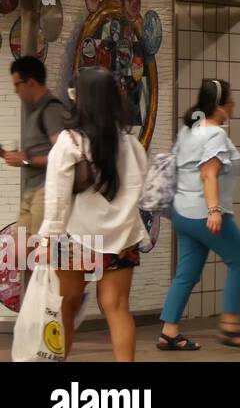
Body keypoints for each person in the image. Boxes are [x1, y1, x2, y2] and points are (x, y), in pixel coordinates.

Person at [36, 66, 148, 361]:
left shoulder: (69, 142)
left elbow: (57, 198)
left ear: (80, 99)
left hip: (77, 238)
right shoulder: (131, 143)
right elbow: (141, 189)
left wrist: (47, 239)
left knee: (66, 308)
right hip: (123, 238)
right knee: (117, 308)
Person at [159, 79, 240, 350]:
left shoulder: (188, 131)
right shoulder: (215, 134)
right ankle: (230, 326)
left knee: (187, 272)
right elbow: (208, 173)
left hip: (182, 212)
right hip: (205, 213)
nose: (233, 105)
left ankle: (169, 331)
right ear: (221, 105)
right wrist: (214, 211)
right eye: (231, 100)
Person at [5, 56, 69, 294]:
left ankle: (50, 312)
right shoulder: (34, 112)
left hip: (46, 192)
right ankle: (36, 313)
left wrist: (26, 160)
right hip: (31, 192)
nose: (15, 91)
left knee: (40, 258)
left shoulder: (52, 110)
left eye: (17, 84)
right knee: (21, 254)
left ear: (30, 82)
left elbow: (62, 154)